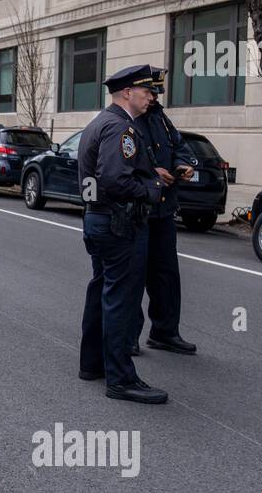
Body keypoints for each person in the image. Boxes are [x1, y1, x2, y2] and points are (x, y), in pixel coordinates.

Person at [77, 64, 169, 404]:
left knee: (101, 291)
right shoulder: (122, 129)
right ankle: (121, 378)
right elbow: (115, 180)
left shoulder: (100, 123)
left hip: (98, 220)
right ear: (128, 92)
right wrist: (154, 184)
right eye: (148, 92)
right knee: (120, 300)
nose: (152, 98)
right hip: (119, 225)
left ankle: (93, 363)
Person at [132, 81, 198, 356]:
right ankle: (127, 336)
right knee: (133, 276)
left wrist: (183, 165)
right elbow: (122, 162)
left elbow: (180, 147)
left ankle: (165, 332)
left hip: (164, 209)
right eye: (149, 92)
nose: (153, 97)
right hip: (139, 210)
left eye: (156, 93)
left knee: (167, 276)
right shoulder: (126, 119)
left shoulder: (161, 118)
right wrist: (152, 171)